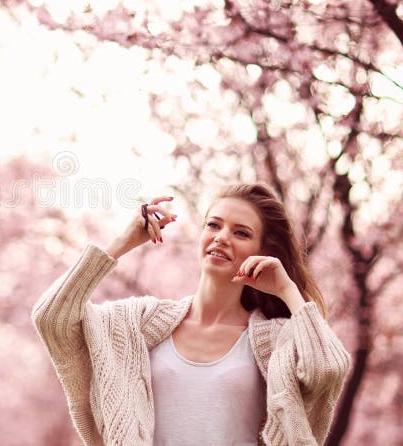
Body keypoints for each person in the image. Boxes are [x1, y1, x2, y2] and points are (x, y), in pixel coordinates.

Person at [31, 183, 351, 446]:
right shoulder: (138, 323)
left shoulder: (278, 337)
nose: (222, 237)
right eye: (214, 225)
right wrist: (121, 243)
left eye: (241, 233)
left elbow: (329, 368)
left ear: (261, 251)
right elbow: (52, 317)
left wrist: (287, 290)